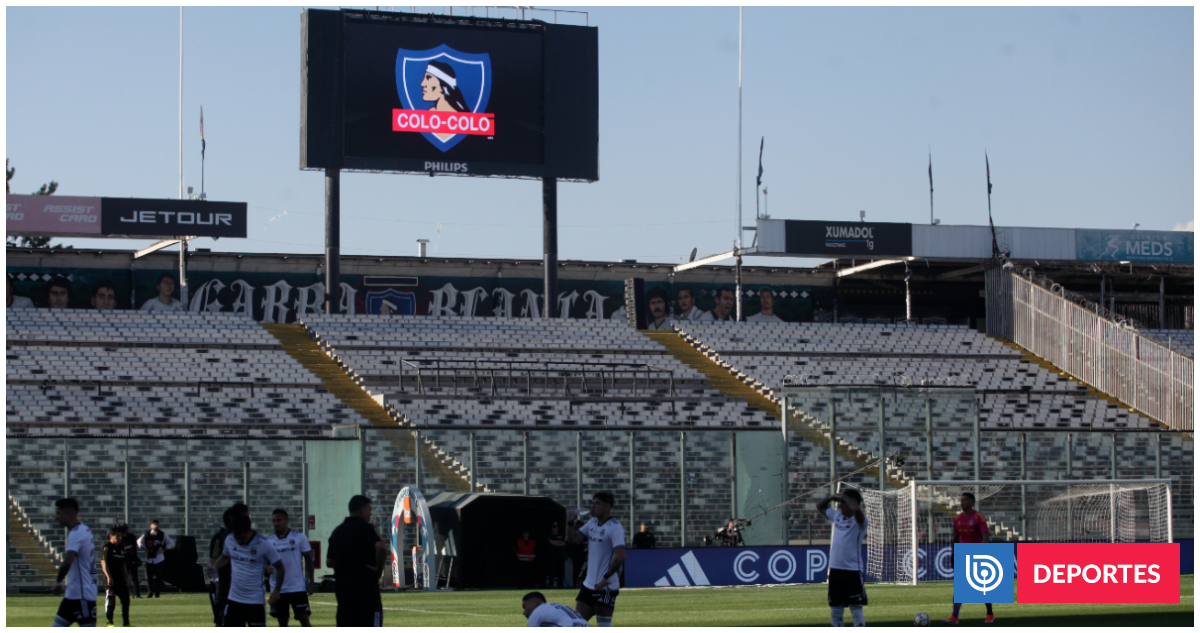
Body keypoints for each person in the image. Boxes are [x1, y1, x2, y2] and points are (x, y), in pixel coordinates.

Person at [566, 491, 626, 628]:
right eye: (592, 503)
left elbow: (621, 556)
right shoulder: (592, 523)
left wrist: (605, 578)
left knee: (604, 625)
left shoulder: (615, 528)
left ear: (607, 507)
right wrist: (570, 523)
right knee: (576, 625)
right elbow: (574, 539)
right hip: (589, 585)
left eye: (597, 503)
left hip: (605, 586)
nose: (592, 506)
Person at [326, 495, 388, 627]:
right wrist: (378, 569)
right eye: (370, 510)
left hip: (344, 589)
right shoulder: (367, 529)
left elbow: (329, 562)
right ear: (362, 511)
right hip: (366, 589)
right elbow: (381, 547)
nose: (371, 514)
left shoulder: (337, 531)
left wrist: (345, 564)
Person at [214, 514, 284, 627]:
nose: (239, 541)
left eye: (242, 538)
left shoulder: (263, 543)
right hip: (234, 600)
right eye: (236, 537)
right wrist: (214, 573)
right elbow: (224, 557)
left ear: (249, 531)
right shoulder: (230, 540)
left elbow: (280, 567)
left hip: (255, 602)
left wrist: (276, 591)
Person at [816, 489, 868, 627]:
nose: (840, 505)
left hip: (853, 571)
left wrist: (846, 498)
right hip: (835, 570)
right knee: (835, 612)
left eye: (844, 503)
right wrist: (831, 498)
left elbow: (856, 509)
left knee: (856, 611)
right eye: (841, 503)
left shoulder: (860, 521)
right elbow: (820, 507)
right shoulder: (837, 516)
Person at [944, 492, 995, 625]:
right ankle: (955, 616)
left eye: (965, 500)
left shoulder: (979, 517)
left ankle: (989, 614)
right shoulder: (957, 519)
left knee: (983, 586)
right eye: (961, 500)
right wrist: (953, 554)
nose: (962, 502)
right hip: (963, 554)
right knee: (960, 587)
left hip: (978, 554)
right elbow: (955, 538)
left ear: (972, 502)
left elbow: (986, 537)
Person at [51, 498, 96, 627]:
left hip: (82, 597)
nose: (56, 517)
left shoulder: (77, 533)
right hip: (72, 595)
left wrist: (58, 583)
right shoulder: (83, 530)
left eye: (59, 513)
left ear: (69, 514)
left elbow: (67, 562)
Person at [267, 508, 315, 627]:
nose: (276, 523)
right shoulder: (269, 541)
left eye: (279, 520)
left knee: (304, 618)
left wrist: (311, 581)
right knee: (282, 622)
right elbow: (264, 562)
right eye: (274, 521)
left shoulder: (299, 537)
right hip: (278, 589)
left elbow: (308, 559)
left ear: (287, 520)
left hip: (297, 587)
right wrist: (266, 569)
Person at [209, 503, 248, 626]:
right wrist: (217, 584)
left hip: (235, 586)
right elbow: (212, 562)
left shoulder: (244, 537)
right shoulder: (219, 538)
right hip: (223, 585)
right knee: (222, 620)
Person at [102, 526, 132, 627]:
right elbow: (104, 563)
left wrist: (127, 578)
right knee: (111, 601)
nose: (120, 538)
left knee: (126, 600)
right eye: (117, 536)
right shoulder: (106, 547)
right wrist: (108, 577)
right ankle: (109, 622)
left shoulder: (120, 548)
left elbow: (123, 564)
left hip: (121, 579)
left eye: (120, 536)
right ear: (111, 536)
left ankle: (126, 623)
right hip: (111, 579)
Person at [137, 519, 174, 598]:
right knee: (149, 577)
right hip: (149, 559)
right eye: (154, 525)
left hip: (159, 559)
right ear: (151, 526)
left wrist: (164, 549)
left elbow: (171, 542)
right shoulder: (147, 534)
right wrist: (144, 548)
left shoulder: (162, 534)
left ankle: (157, 594)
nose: (156, 526)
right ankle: (150, 592)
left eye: (157, 525)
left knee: (158, 577)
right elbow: (139, 541)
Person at [522, 591, 589, 627]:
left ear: (534, 602)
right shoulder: (560, 607)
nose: (524, 612)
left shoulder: (537, 611)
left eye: (525, 607)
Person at [118, 525, 142, 599]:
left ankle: (137, 594)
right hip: (123, 561)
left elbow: (134, 549)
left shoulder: (131, 537)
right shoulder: (119, 538)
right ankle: (124, 593)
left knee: (135, 578)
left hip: (132, 560)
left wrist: (135, 559)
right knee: (124, 578)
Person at [545, 524, 567, 588]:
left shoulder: (561, 535)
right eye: (554, 527)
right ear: (552, 528)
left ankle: (560, 584)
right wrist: (558, 542)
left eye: (556, 527)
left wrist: (555, 543)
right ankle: (550, 584)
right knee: (551, 570)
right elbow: (551, 542)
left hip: (560, 556)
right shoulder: (549, 535)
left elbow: (564, 543)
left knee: (561, 571)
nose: (555, 529)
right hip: (552, 556)